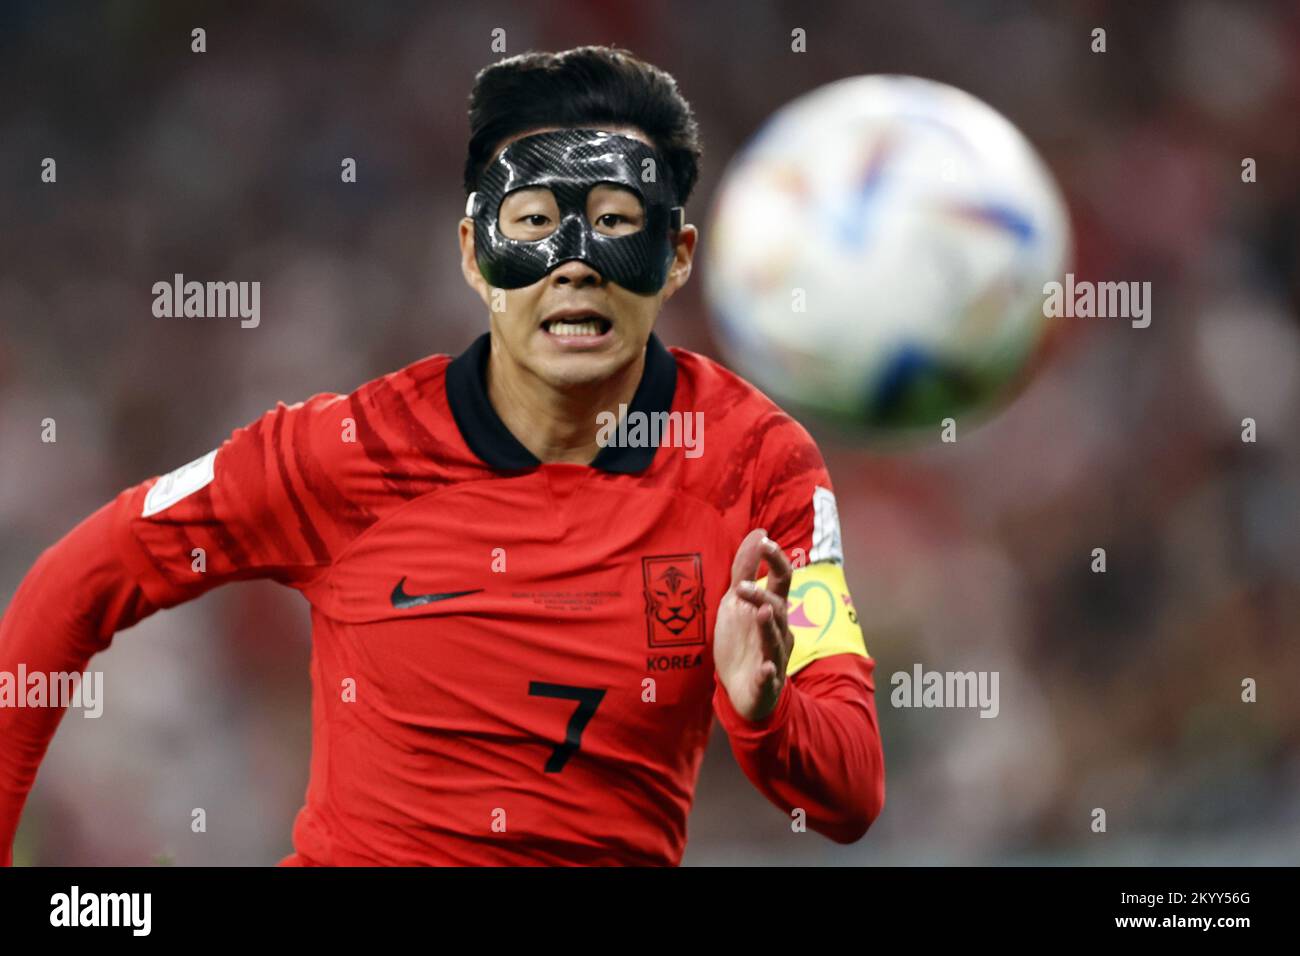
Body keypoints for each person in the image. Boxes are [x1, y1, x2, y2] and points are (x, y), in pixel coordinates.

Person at [0, 45, 884, 866]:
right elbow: (76, 583)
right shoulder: (345, 454)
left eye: (614, 221)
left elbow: (850, 793)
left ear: (676, 256)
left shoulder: (755, 467)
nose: (572, 264)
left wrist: (766, 714)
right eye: (534, 221)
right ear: (473, 252)